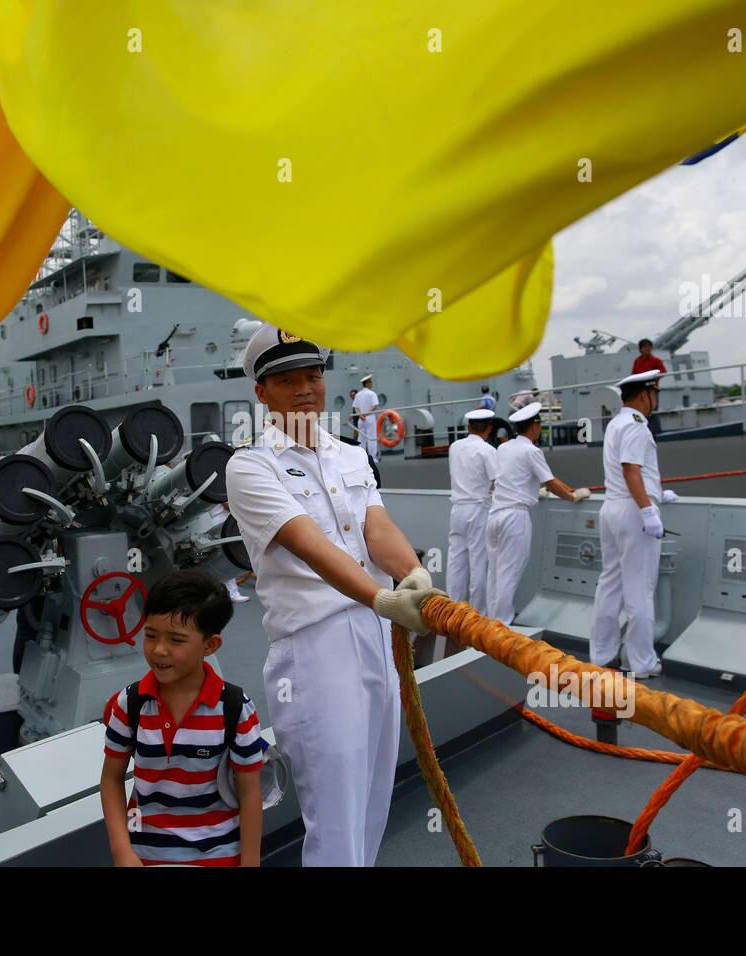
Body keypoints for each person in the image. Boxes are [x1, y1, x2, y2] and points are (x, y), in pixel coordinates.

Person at [224, 323, 442, 866]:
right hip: (314, 649)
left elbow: (377, 528)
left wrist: (413, 573)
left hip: (374, 636)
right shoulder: (251, 466)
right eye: (286, 379)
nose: (304, 388)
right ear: (262, 393)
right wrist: (382, 597)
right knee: (336, 815)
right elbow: (309, 544)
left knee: (372, 800)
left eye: (312, 374)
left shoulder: (349, 456)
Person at [100, 569, 265, 866]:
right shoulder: (130, 704)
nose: (159, 650)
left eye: (176, 640)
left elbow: (250, 792)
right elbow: (111, 780)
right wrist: (122, 852)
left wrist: (250, 862)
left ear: (210, 645)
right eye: (150, 636)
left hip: (218, 853)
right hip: (143, 854)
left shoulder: (235, 709)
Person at [588, 369, 677, 678]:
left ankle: (601, 655)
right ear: (645, 395)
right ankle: (641, 663)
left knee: (609, 585)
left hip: (611, 509)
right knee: (640, 588)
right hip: (633, 511)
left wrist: (657, 493)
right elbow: (631, 470)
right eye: (654, 395)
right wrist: (648, 510)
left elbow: (626, 471)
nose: (655, 401)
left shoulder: (616, 423)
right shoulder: (637, 426)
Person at [487, 402, 590, 624]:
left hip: (495, 515)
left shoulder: (503, 447)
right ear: (534, 426)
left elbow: (519, 478)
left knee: (494, 573)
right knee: (510, 572)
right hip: (515, 517)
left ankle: (489, 622)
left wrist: (547, 489)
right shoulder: (532, 450)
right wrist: (572, 496)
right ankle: (501, 625)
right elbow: (550, 482)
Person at [446, 409, 496, 610]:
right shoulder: (488, 451)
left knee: (456, 560)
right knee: (478, 562)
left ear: (468, 427)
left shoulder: (455, 447)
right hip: (478, 509)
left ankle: (452, 610)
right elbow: (497, 480)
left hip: (457, 508)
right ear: (490, 428)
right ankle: (477, 614)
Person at [353, 373, 381, 461]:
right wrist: (366, 414)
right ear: (368, 383)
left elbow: (356, 407)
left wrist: (361, 415)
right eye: (370, 382)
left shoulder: (358, 395)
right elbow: (375, 406)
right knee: (372, 437)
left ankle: (362, 459)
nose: (371, 383)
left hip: (361, 419)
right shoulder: (372, 394)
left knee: (361, 438)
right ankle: (373, 458)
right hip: (370, 418)